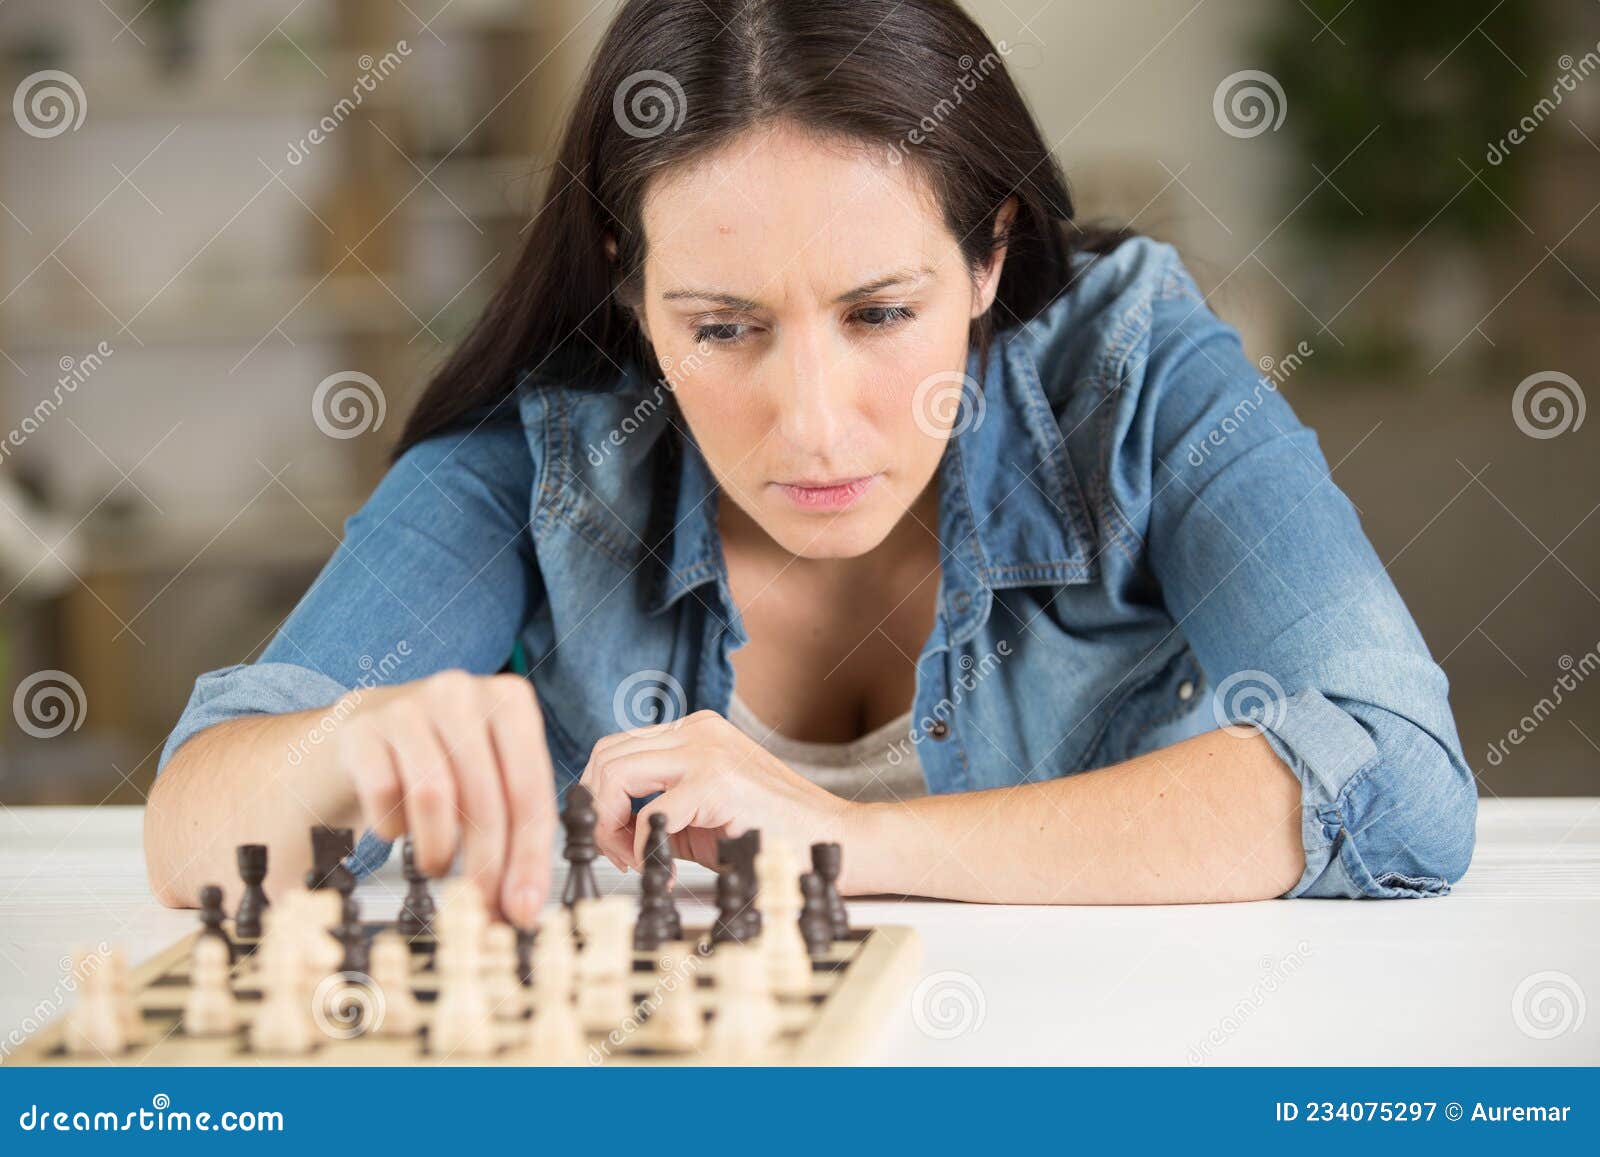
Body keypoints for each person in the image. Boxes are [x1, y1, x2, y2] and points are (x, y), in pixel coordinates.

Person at [145, 0, 1476, 926]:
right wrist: (355, 734)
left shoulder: (1136, 376)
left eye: (880, 313)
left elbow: (1398, 777)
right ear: (628, 281)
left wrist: (855, 841)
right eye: (722, 328)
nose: (815, 424)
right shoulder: (544, 449)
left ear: (990, 255)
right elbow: (194, 825)